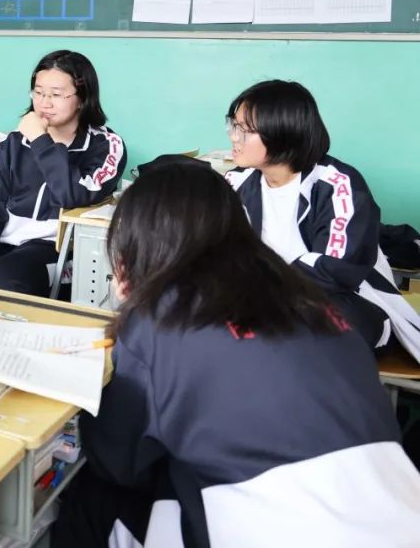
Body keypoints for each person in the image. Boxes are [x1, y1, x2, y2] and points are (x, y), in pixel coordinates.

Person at [53, 161, 420, 548]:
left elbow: (119, 461)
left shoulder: (160, 314)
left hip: (276, 528)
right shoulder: (309, 298)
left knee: (91, 495)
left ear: (140, 241)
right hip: (399, 518)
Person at [225, 80, 420, 357]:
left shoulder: (338, 183)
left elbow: (334, 270)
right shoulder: (235, 182)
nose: (234, 137)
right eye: (233, 125)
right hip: (261, 300)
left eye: (244, 129)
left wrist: (257, 285)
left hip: (348, 302)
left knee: (302, 333)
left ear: (282, 131)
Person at [0, 50, 125, 297]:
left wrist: (41, 140)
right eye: (38, 93)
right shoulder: (13, 144)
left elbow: (71, 195)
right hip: (3, 242)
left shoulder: (105, 145)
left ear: (82, 98)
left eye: (56, 95)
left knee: (1, 284)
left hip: (59, 251)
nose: (45, 103)